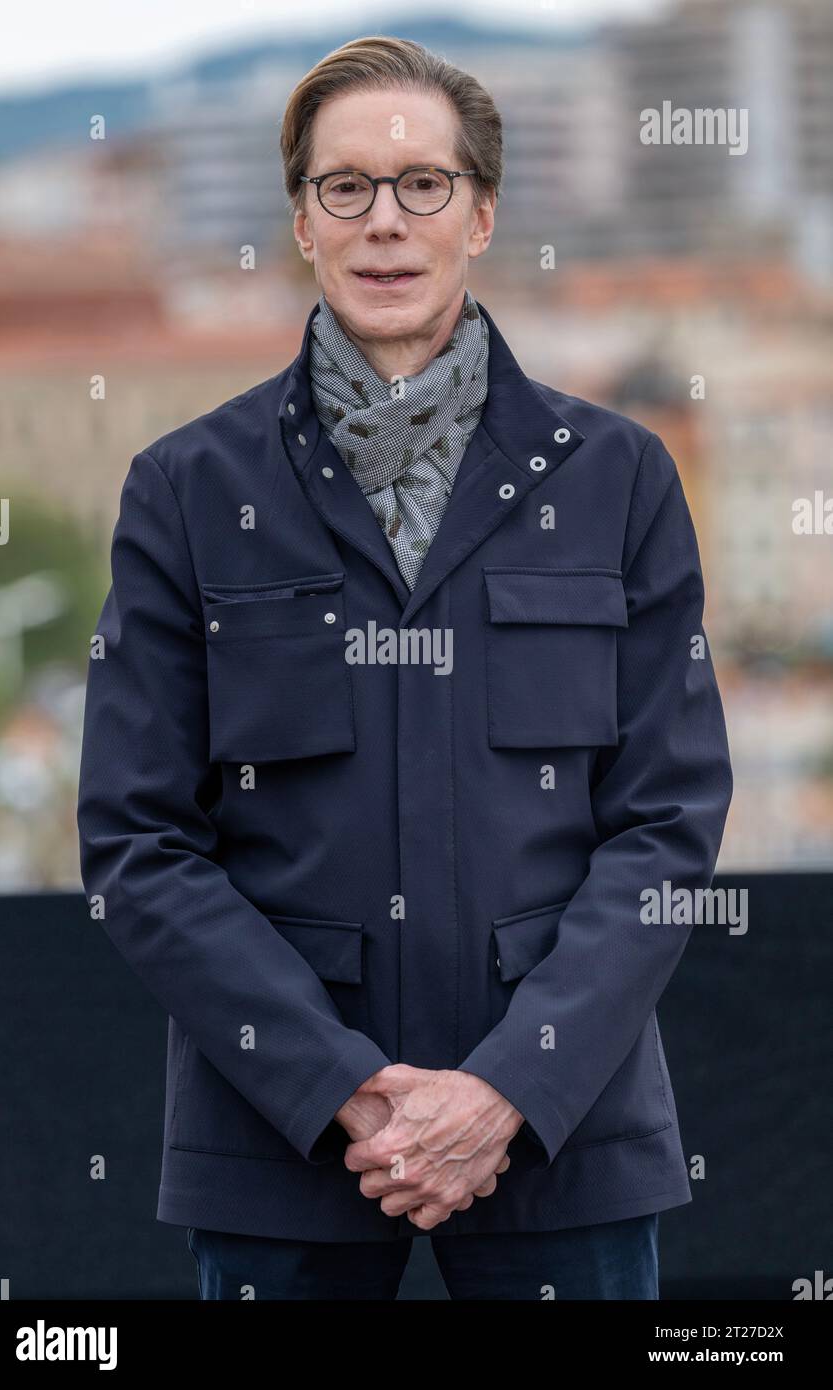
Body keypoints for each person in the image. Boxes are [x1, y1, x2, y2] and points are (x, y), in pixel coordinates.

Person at [77, 35, 733, 1301]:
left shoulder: (617, 478)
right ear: (301, 221)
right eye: (347, 188)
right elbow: (137, 839)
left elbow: (668, 824)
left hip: (563, 1133)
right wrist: (337, 1088)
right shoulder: (189, 489)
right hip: (280, 1143)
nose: (386, 221)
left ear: (482, 215)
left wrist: (509, 1087)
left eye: (423, 185)